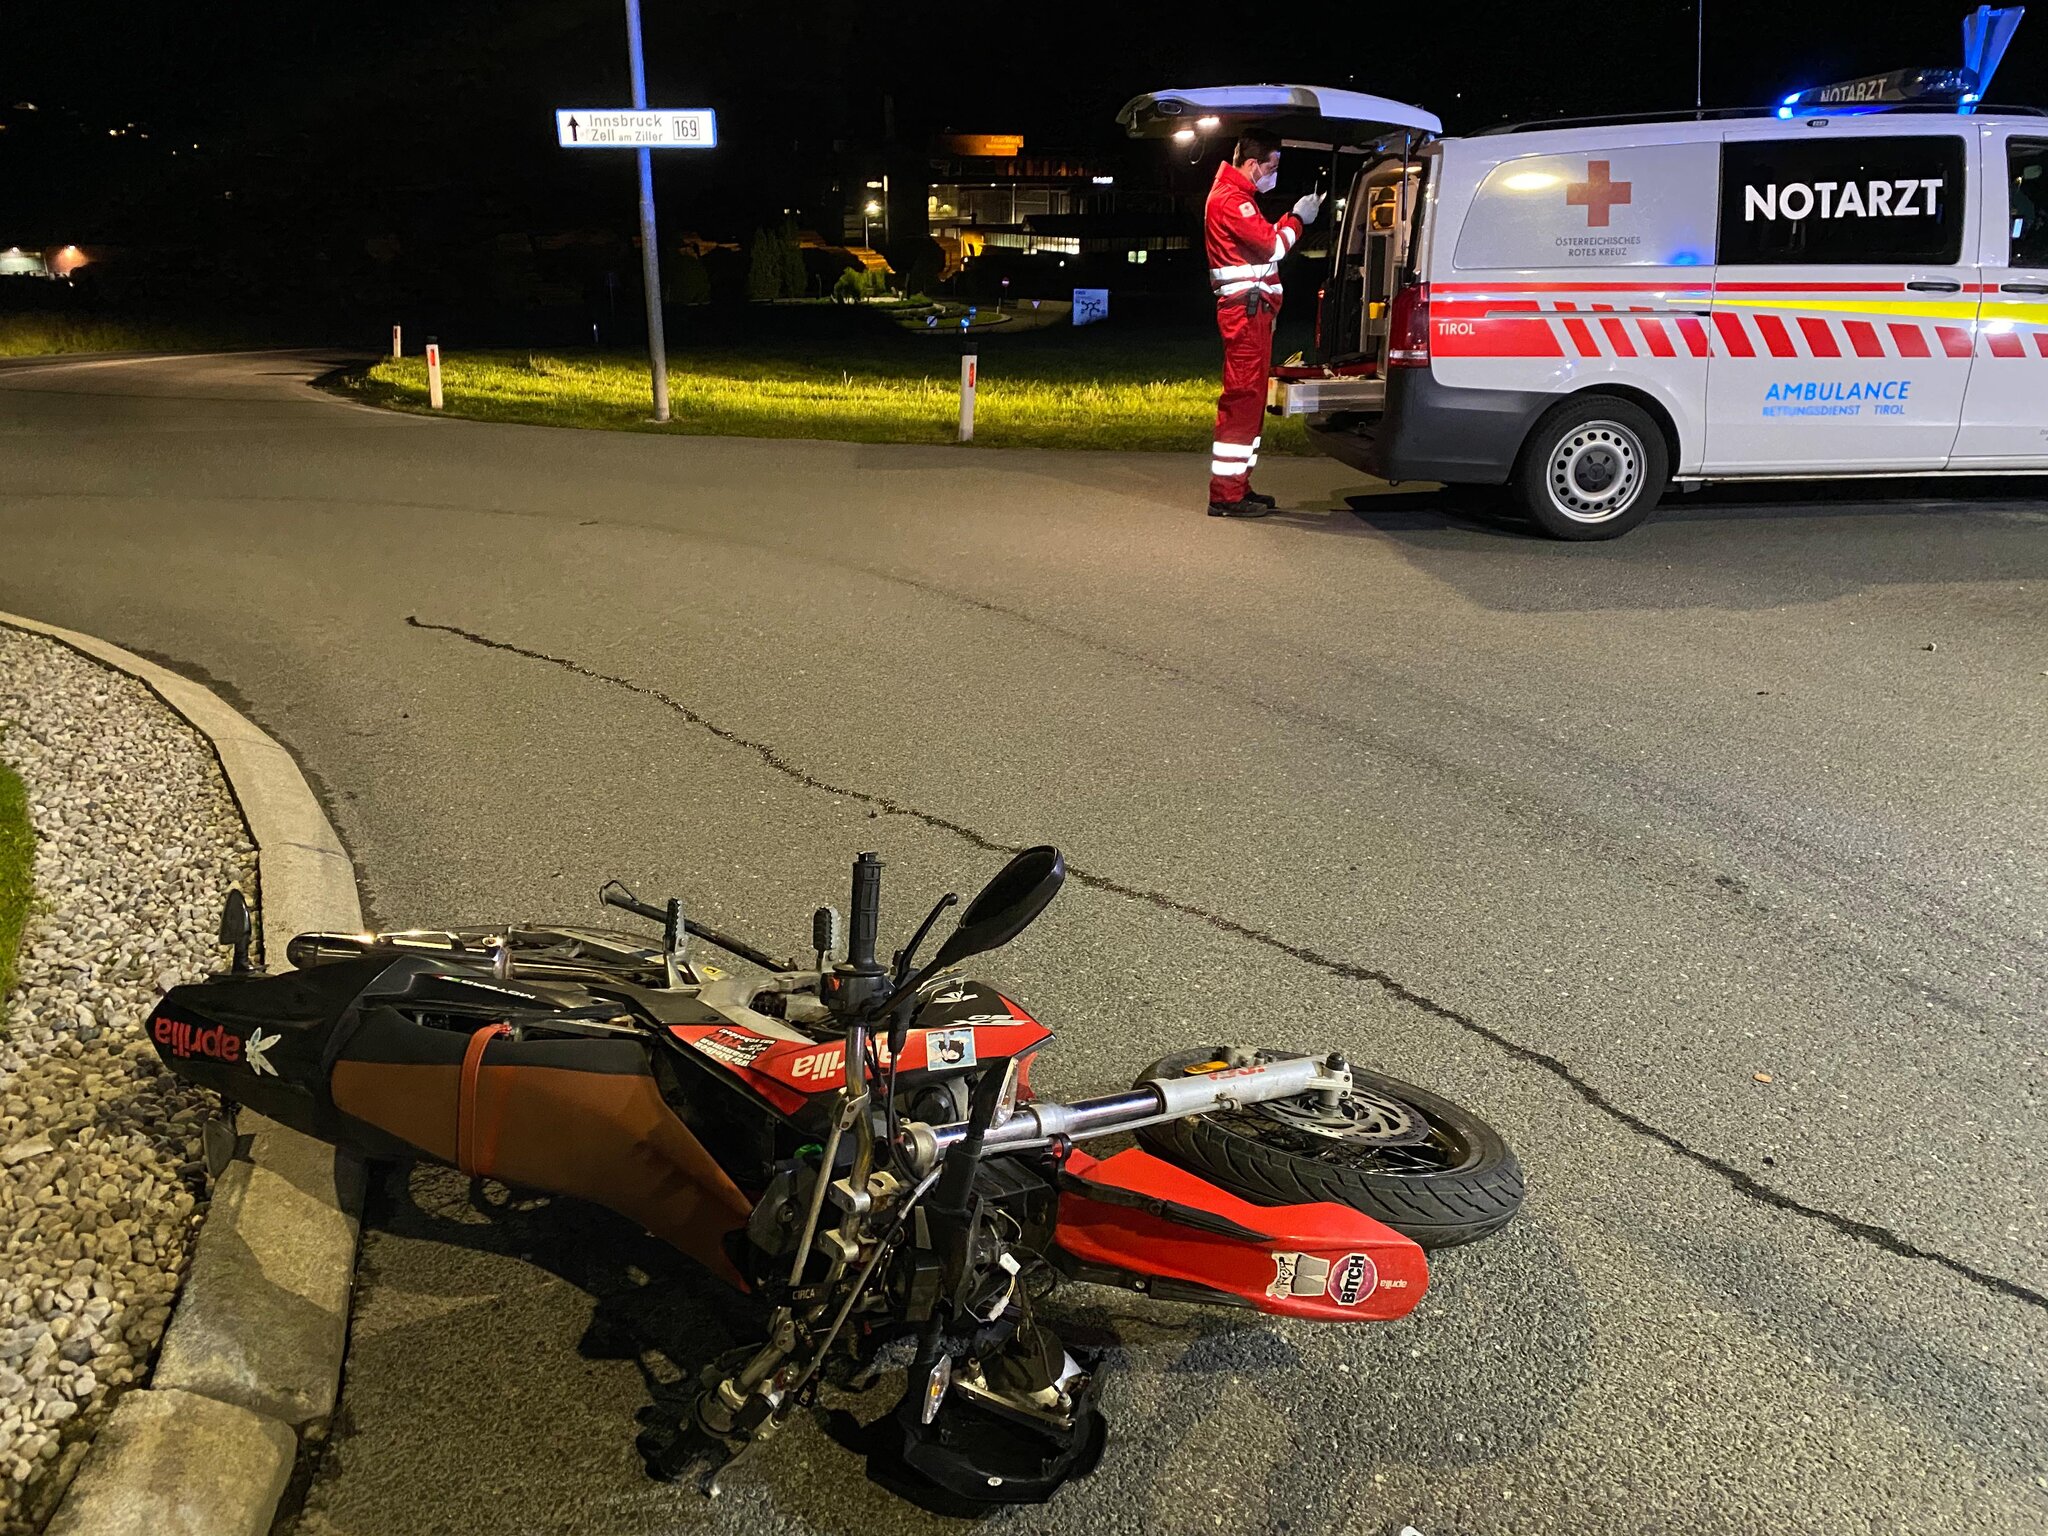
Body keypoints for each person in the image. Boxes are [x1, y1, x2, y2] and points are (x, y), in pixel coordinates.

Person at [1204, 129, 1324, 517]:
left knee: (1250, 399)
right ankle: (1226, 495)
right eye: (1271, 167)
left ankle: (1238, 486)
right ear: (1253, 164)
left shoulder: (1237, 198)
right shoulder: (1232, 201)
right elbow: (1272, 246)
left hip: (1251, 312)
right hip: (1246, 313)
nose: (1273, 175)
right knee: (1243, 399)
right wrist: (1298, 218)